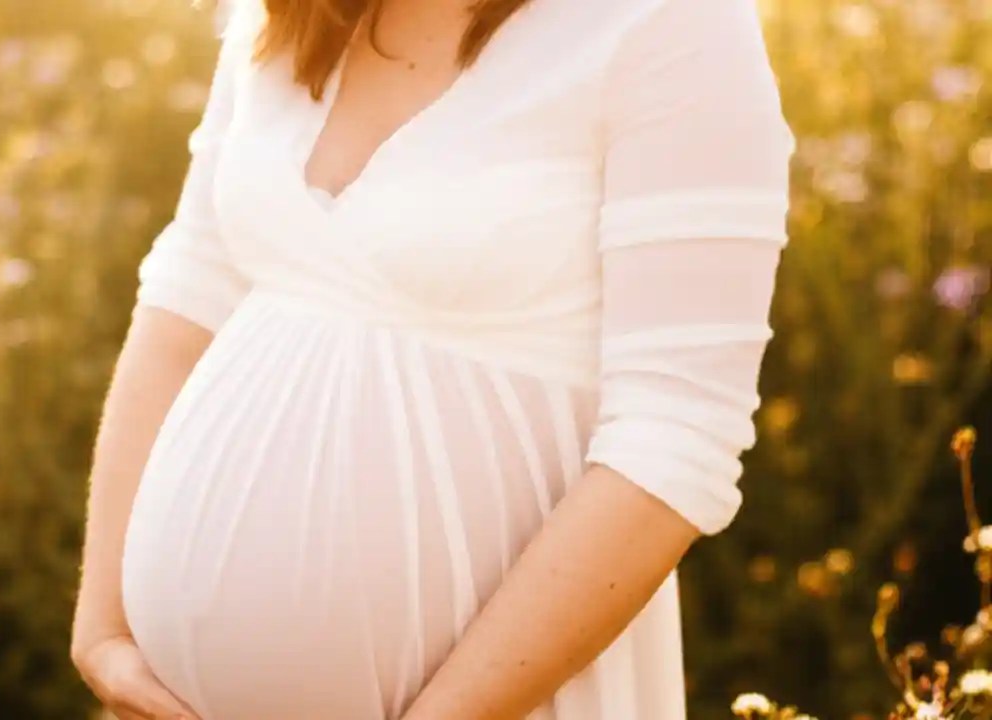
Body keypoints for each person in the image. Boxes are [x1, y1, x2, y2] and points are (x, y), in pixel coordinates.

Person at [70, 0, 796, 716]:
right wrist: (105, 628)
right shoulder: (287, 15)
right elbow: (188, 296)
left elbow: (676, 436)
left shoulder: (671, 22)